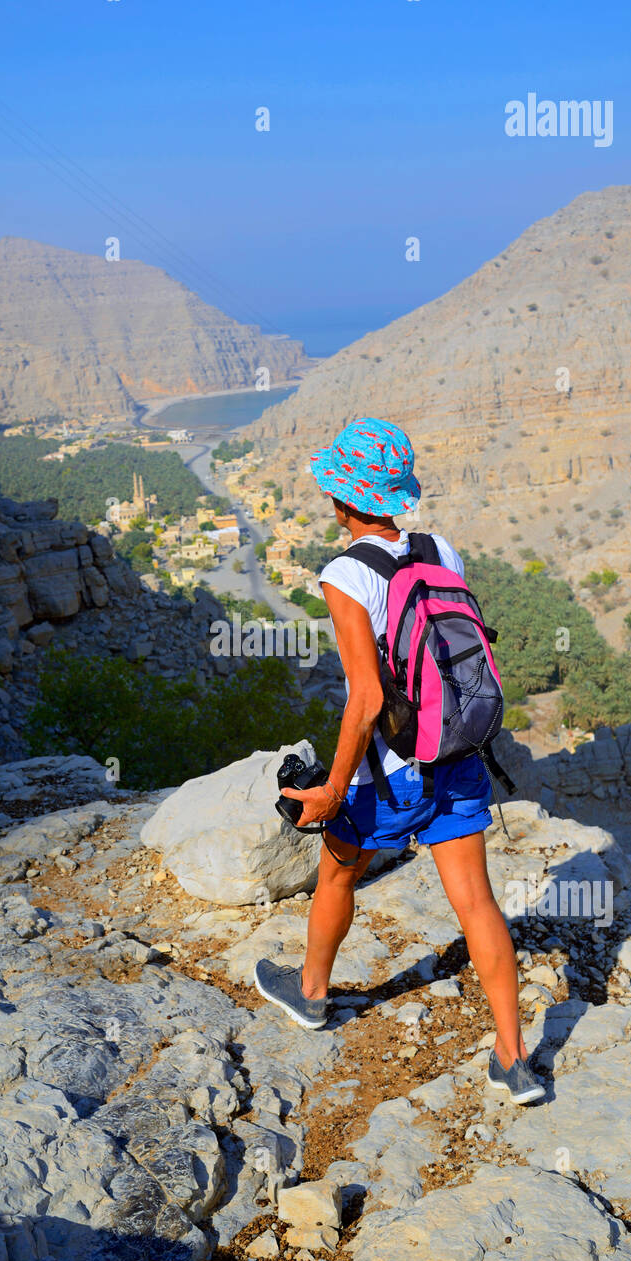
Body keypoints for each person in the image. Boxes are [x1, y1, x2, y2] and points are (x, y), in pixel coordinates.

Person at [254, 417, 544, 1106]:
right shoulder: (438, 546)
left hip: (386, 772)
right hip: (457, 754)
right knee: (476, 904)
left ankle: (312, 993)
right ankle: (514, 1061)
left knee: (336, 876)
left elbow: (363, 699)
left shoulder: (345, 572)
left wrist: (331, 787)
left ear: (340, 499)